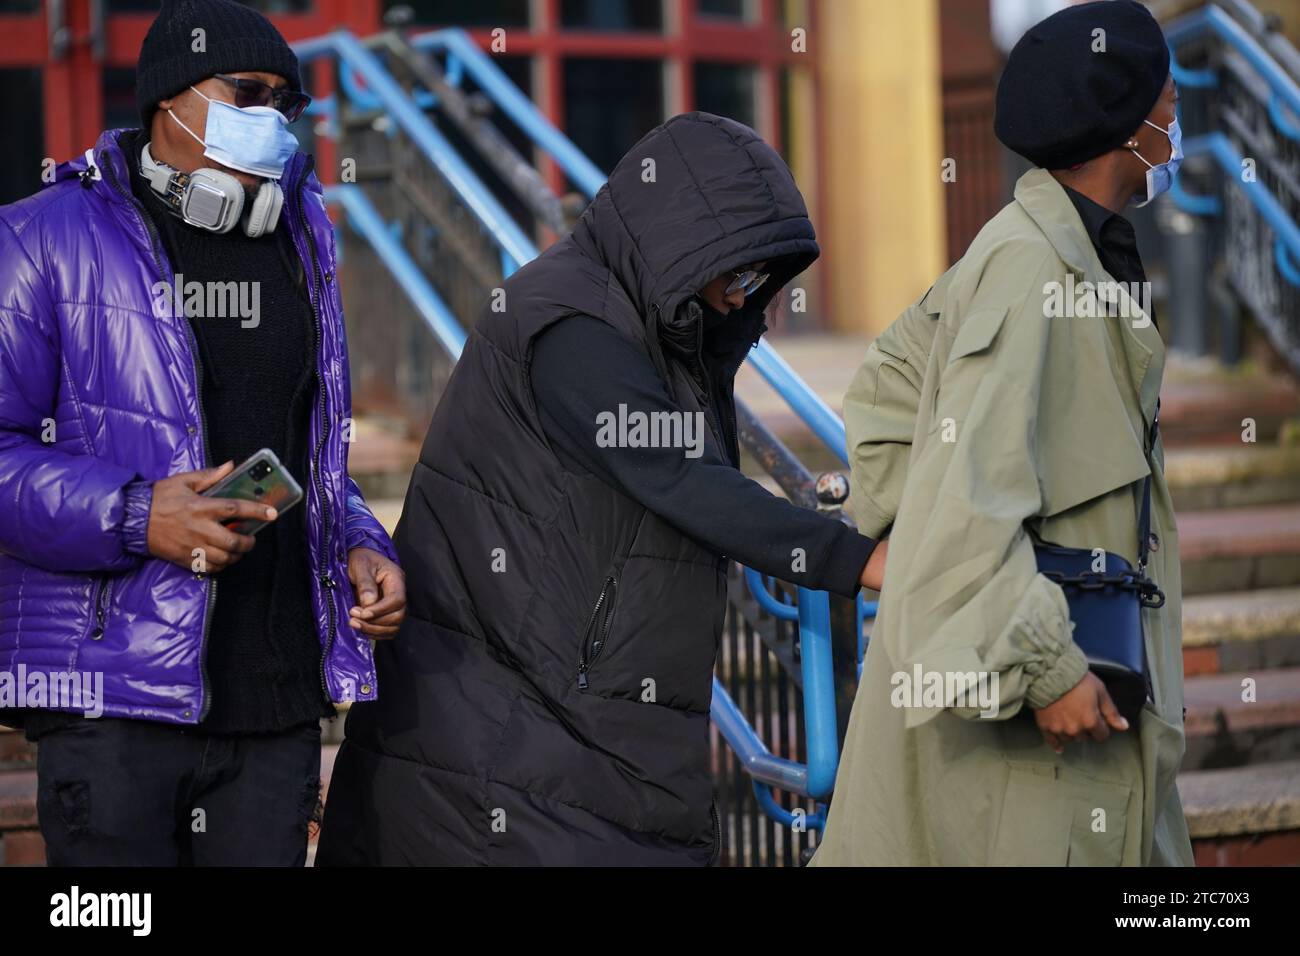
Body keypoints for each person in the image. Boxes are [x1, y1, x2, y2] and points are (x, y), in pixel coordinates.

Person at [317, 112, 885, 866]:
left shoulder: (658, 327)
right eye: (737, 272)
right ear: (680, 243)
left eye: (762, 281)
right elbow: (680, 476)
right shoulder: (570, 324)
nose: (744, 296)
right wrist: (858, 561)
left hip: (578, 726)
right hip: (511, 727)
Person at [0, 0, 404, 866]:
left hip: (276, 702)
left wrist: (360, 543)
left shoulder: (304, 237)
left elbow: (307, 447)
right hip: (115, 706)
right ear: (169, 101)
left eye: (286, 104)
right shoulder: (39, 238)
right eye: (247, 93)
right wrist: (138, 515)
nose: (272, 119)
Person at [813, 0, 1194, 866]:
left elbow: (885, 397)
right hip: (1048, 739)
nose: (1177, 119)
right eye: (1168, 103)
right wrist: (1045, 663)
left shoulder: (1056, 254)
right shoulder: (1029, 272)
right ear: (1124, 127)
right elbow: (965, 490)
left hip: (1085, 732)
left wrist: (925, 553)